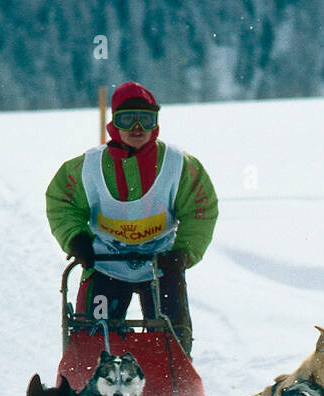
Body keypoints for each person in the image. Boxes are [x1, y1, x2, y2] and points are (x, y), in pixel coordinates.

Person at [46, 81, 218, 355]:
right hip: (105, 264)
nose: (137, 129)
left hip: (161, 265)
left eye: (146, 120)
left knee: (171, 338)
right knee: (94, 338)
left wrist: (184, 253)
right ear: (114, 122)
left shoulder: (180, 166)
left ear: (156, 123)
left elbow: (201, 211)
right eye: (128, 120)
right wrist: (76, 239)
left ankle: (173, 387)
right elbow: (62, 202)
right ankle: (90, 384)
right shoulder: (85, 167)